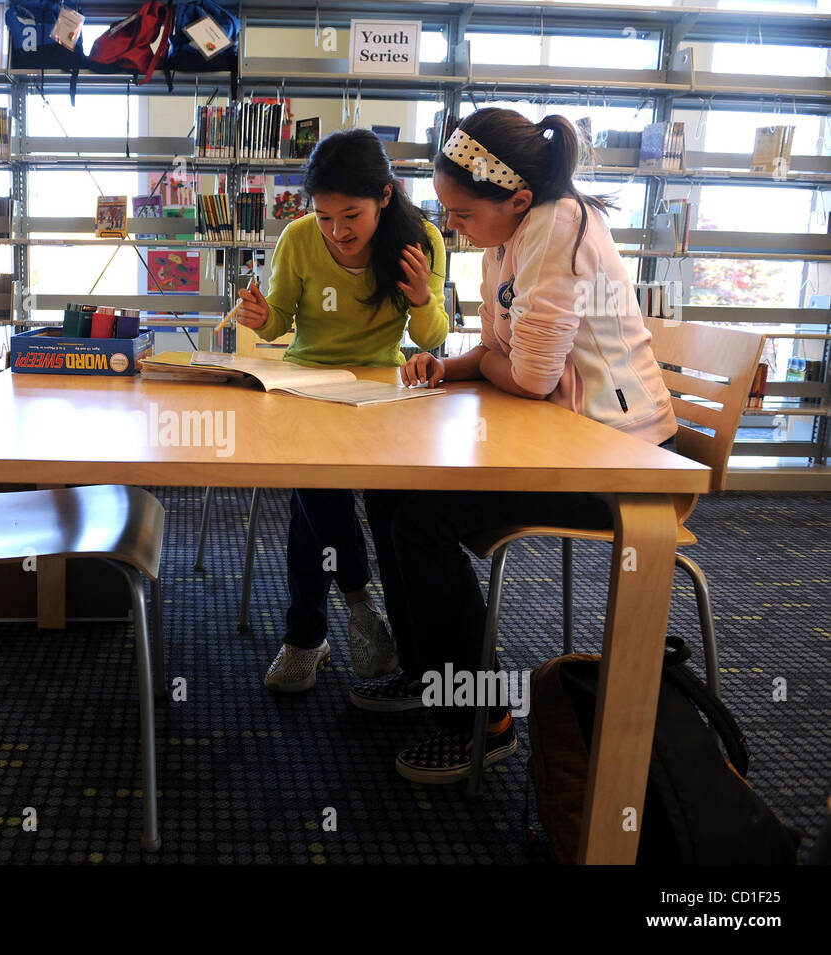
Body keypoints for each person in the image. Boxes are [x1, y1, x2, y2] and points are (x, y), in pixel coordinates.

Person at [350, 107, 679, 782]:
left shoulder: (558, 230)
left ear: (518, 199)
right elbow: (506, 352)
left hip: (622, 466)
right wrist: (448, 364)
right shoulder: (512, 233)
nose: (453, 228)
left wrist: (497, 365)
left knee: (421, 520)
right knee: (388, 490)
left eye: (463, 214)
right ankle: (428, 675)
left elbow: (528, 377)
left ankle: (483, 718)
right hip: (568, 440)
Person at [233, 128, 450, 693]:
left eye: (349, 215)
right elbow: (281, 320)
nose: (336, 231)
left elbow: (434, 338)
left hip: (383, 386)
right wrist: (261, 319)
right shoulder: (300, 238)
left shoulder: (420, 241)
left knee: (366, 502)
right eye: (324, 216)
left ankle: (310, 634)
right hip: (306, 382)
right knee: (317, 487)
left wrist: (424, 298)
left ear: (385, 194)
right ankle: (357, 608)